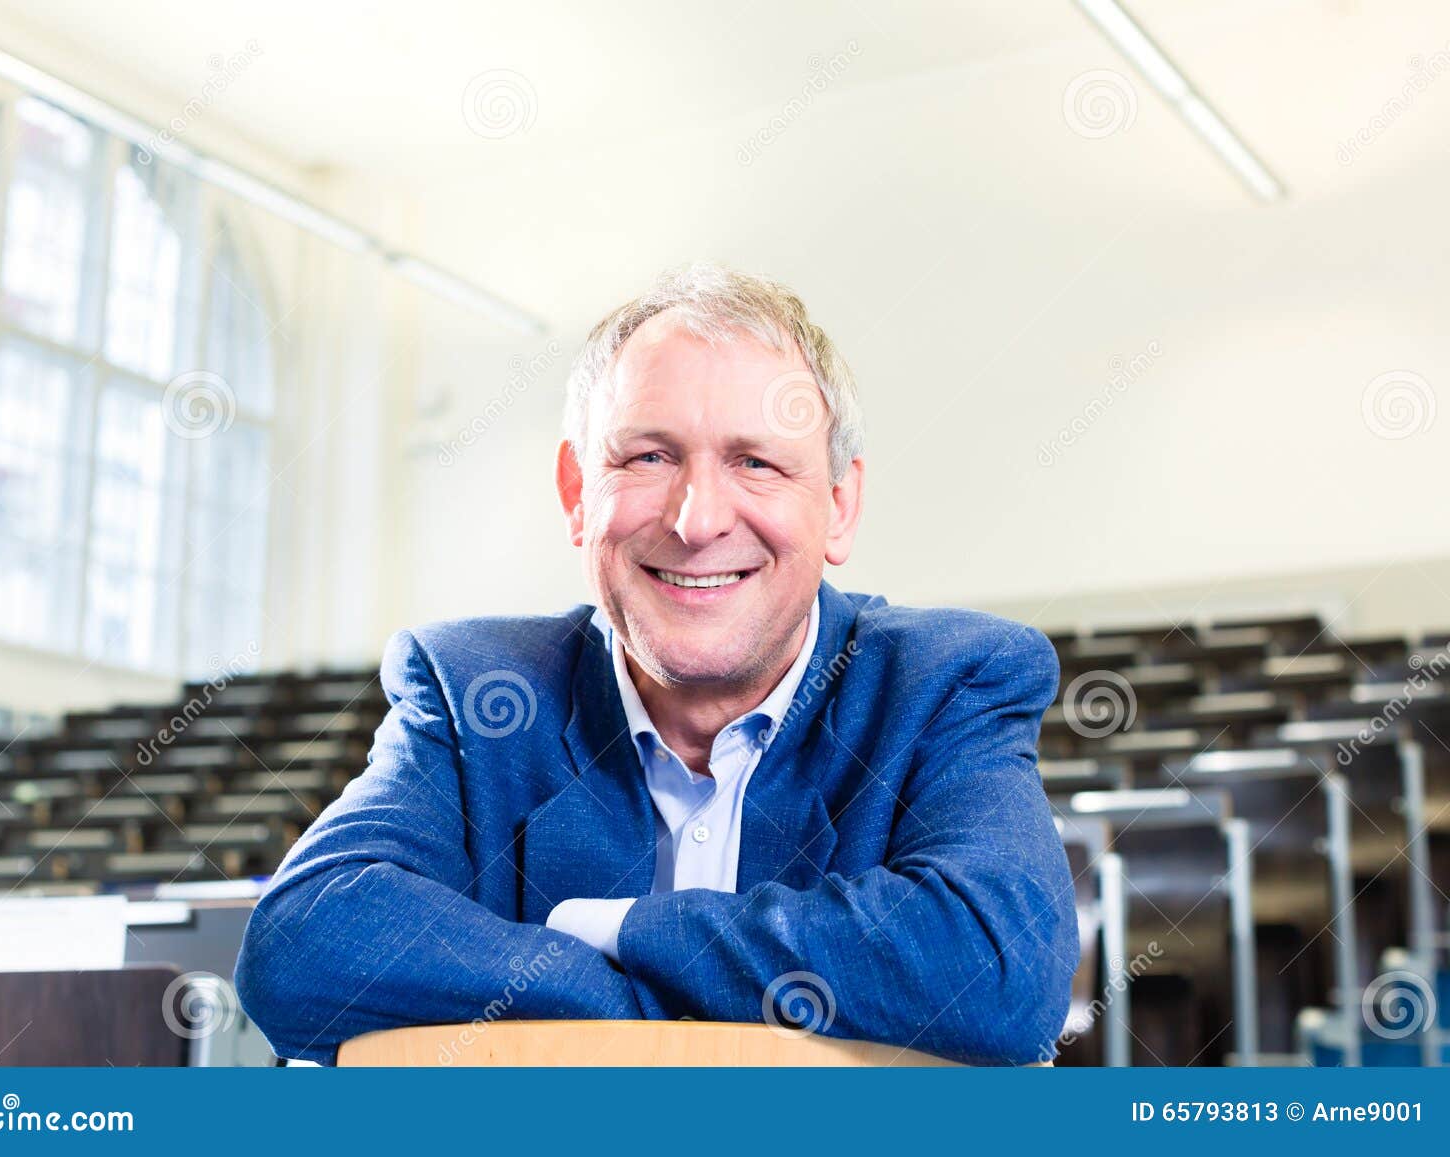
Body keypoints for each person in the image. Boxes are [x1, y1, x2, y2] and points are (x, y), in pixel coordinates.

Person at [235, 263, 1077, 1065]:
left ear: (838, 506)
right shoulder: (470, 691)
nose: (697, 518)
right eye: (648, 457)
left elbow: (999, 967)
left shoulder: (946, 682)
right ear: (577, 491)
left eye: (755, 461)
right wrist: (632, 1008)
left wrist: (625, 929)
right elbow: (303, 940)